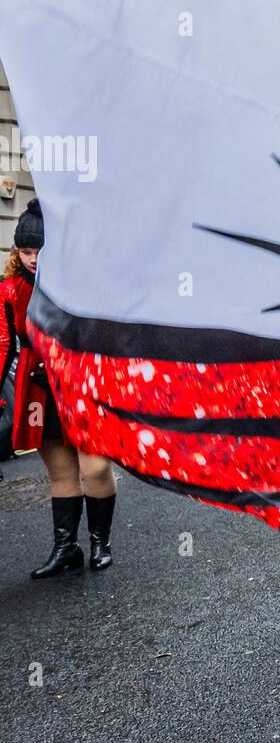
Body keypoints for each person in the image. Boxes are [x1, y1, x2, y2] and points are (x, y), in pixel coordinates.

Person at [0, 199, 118, 577]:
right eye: (26, 250)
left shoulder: (82, 283)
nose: (33, 258)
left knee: (95, 467)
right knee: (60, 472)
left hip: (82, 382)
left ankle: (101, 541)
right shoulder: (10, 290)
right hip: (38, 387)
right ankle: (66, 548)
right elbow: (4, 344)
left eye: (40, 250)